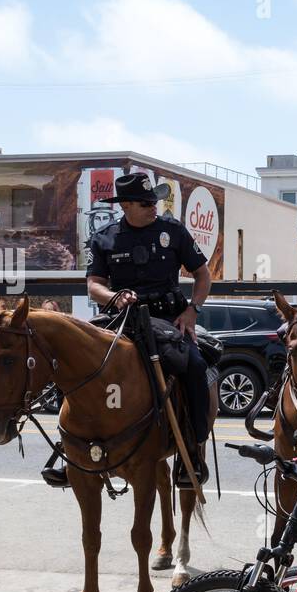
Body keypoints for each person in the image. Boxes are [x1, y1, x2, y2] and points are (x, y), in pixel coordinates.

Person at [84, 171, 213, 489]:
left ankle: (192, 453)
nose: (153, 205)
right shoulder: (104, 238)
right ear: (126, 205)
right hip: (121, 320)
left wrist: (192, 311)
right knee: (75, 360)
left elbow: (203, 275)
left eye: (154, 199)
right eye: (145, 202)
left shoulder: (173, 231)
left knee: (195, 368)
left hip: (169, 320)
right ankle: (68, 447)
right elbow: (93, 285)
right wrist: (114, 297)